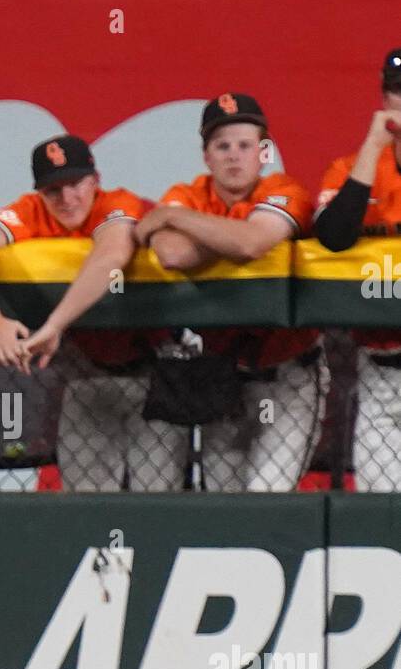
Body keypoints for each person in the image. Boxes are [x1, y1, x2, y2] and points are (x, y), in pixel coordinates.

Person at [131, 94, 326, 491]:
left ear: (264, 151)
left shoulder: (285, 190)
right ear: (206, 155)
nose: (233, 156)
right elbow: (171, 252)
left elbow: (253, 242)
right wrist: (225, 236)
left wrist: (173, 218)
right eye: (222, 146)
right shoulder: (191, 193)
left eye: (245, 145)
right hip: (224, 378)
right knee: (225, 499)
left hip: (289, 375)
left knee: (266, 494)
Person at [0, 135, 167, 490]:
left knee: (159, 502)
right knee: (87, 506)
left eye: (75, 184)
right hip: (84, 374)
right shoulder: (32, 210)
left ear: (95, 180)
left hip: (155, 373)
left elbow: (113, 253)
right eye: (54, 190)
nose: (67, 199)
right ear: (40, 192)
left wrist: (54, 325)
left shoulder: (118, 203)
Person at [315, 49, 401, 491]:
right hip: (381, 370)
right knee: (382, 509)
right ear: (385, 98)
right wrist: (373, 145)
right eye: (398, 91)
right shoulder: (351, 168)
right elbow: (333, 236)